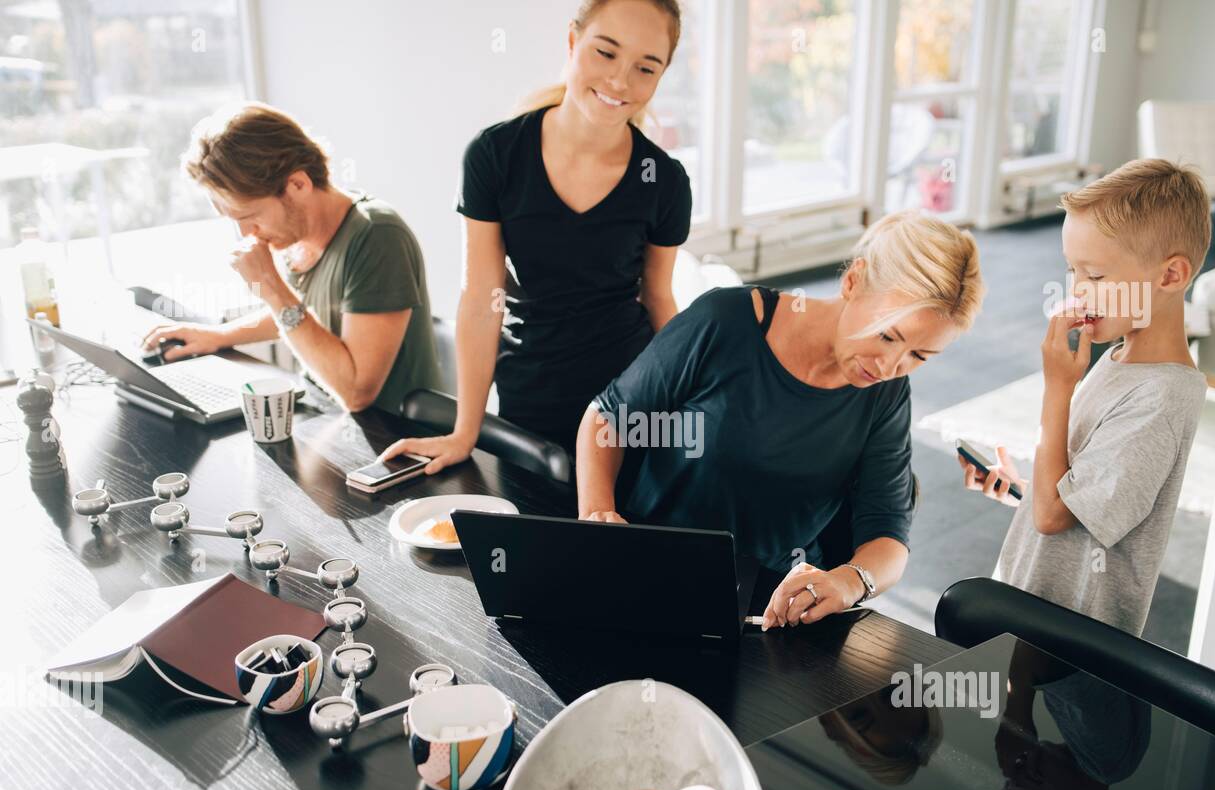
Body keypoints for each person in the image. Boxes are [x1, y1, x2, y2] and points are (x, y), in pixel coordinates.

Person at [576, 210, 985, 630]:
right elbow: (609, 418)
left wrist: (848, 582)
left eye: (919, 356)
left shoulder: (887, 392)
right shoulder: (725, 320)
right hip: (649, 569)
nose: (889, 366)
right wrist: (596, 515)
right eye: (887, 335)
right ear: (853, 281)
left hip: (772, 607)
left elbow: (888, 535)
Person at [381, 0, 691, 471]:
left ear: (661, 74)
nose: (619, 82)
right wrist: (466, 432)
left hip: (632, 404)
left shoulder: (663, 179)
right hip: (532, 402)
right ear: (572, 41)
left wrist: (700, 399)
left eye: (645, 68)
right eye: (605, 53)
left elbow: (658, 298)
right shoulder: (495, 156)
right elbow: (483, 296)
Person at [958, 158, 1211, 638]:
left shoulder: (1161, 398)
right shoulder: (1118, 359)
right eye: (1072, 271)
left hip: (1071, 647)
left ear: (1170, 276)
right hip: (1033, 618)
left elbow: (1054, 517)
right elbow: (1072, 500)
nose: (1077, 292)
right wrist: (1025, 490)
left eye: (1095, 276)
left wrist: (1058, 388)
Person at [143, 102, 438, 415]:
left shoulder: (377, 235)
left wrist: (271, 286)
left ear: (298, 184)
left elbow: (356, 392)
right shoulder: (294, 232)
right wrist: (217, 336)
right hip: (322, 414)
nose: (246, 233)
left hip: (392, 438)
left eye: (249, 215)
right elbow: (305, 315)